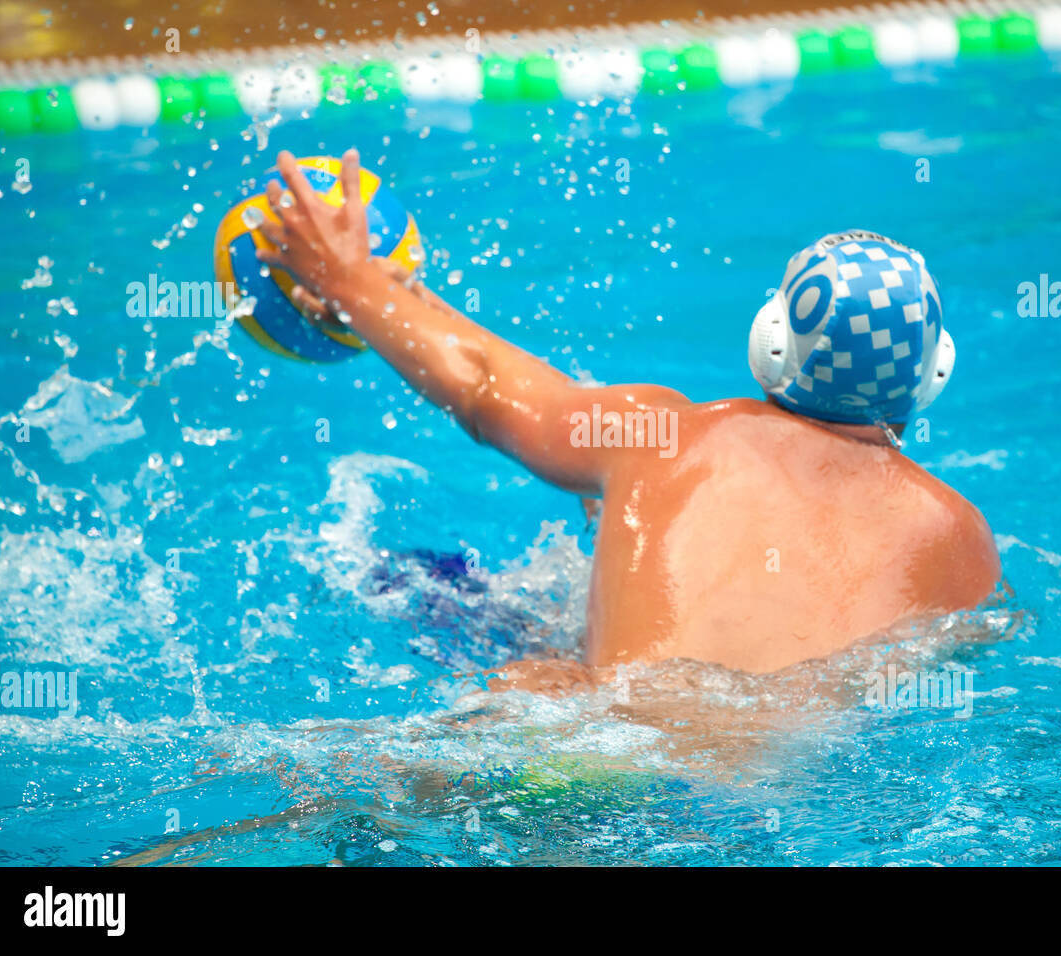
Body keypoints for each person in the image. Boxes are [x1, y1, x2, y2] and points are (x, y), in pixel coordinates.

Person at [254, 149, 999, 677]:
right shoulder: (960, 540)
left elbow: (485, 391)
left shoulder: (661, 436)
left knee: (475, 635)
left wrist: (352, 283)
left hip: (578, 750)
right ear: (931, 378)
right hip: (739, 819)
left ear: (771, 343)